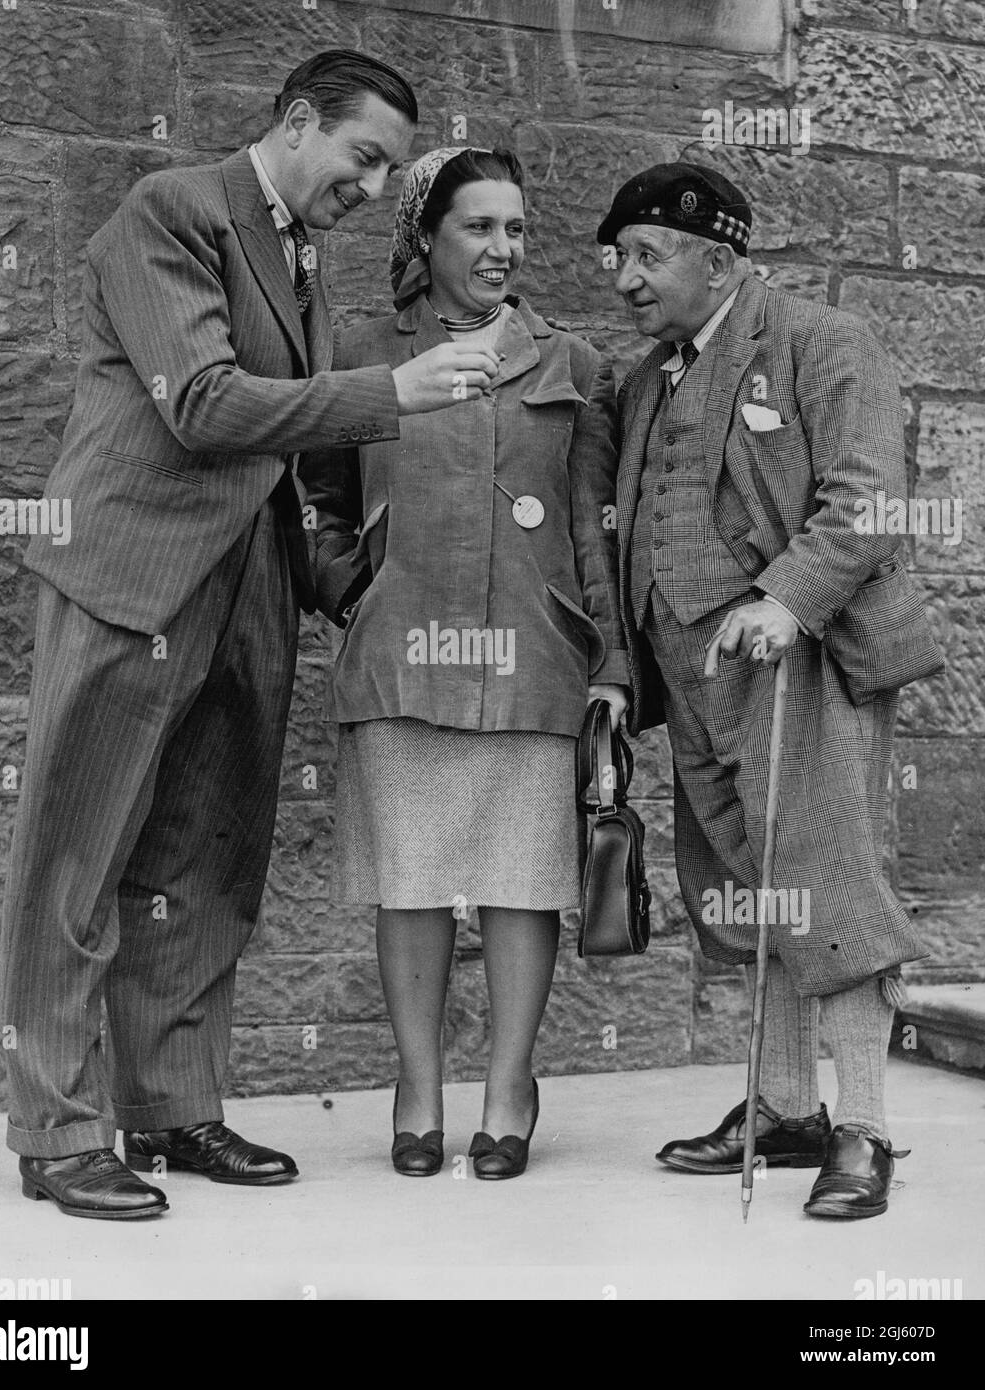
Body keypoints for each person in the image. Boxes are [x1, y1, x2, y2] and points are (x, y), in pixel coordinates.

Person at [0, 51, 502, 1221]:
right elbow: (203, 404)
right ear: (294, 123)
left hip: (246, 594)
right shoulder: (169, 210)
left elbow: (283, 445)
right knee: (78, 860)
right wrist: (399, 390)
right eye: (362, 157)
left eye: (388, 169)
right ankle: (57, 1129)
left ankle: (171, 1108)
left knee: (205, 862)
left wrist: (331, 570)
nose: (374, 187)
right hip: (134, 577)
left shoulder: (298, 247)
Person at [598, 162, 943, 1219]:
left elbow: (865, 497)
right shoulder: (647, 379)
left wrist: (787, 600)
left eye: (648, 256)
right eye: (617, 258)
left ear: (719, 258)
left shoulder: (819, 342)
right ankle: (786, 1106)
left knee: (822, 874)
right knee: (742, 883)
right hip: (690, 671)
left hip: (802, 657)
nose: (625, 281)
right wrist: (622, 671)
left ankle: (864, 1126)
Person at [300, 146, 629, 1180]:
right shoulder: (364, 353)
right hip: (403, 658)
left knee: (521, 881)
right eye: (479, 226)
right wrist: (350, 589)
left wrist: (610, 656)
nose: (502, 248)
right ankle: (416, 1086)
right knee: (412, 879)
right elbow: (316, 501)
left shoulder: (569, 362)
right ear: (428, 235)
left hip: (534, 656)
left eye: (516, 229)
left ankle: (508, 1088)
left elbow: (595, 528)